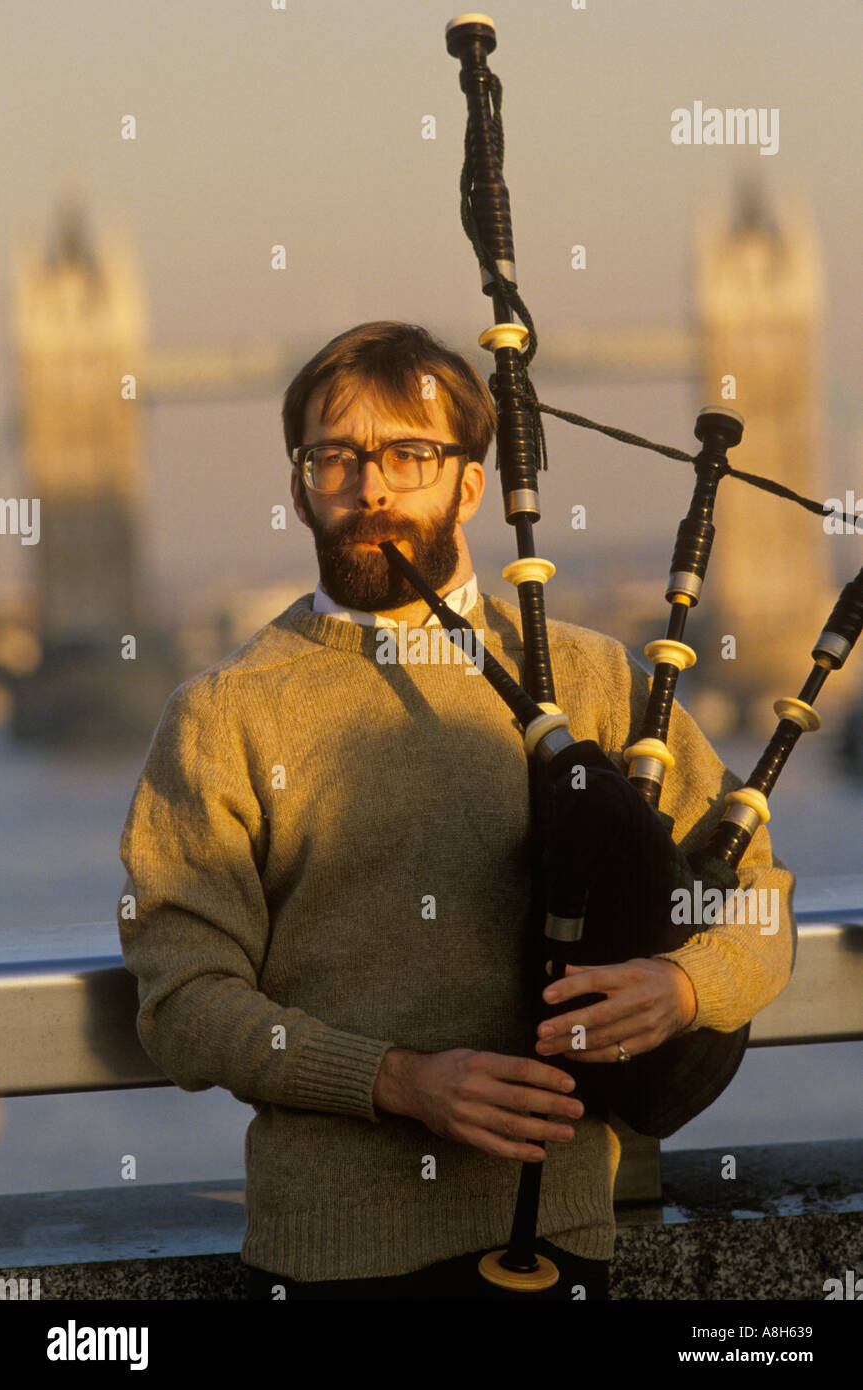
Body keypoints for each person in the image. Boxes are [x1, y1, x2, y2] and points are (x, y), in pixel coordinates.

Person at [118, 321, 795, 1302]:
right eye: (334, 456)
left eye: (408, 453)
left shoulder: (595, 677)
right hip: (328, 1257)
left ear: (470, 484)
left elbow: (757, 901)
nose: (370, 485)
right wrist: (396, 1080)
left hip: (564, 1235)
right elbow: (183, 1003)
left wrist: (683, 986)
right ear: (298, 484)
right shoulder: (221, 713)